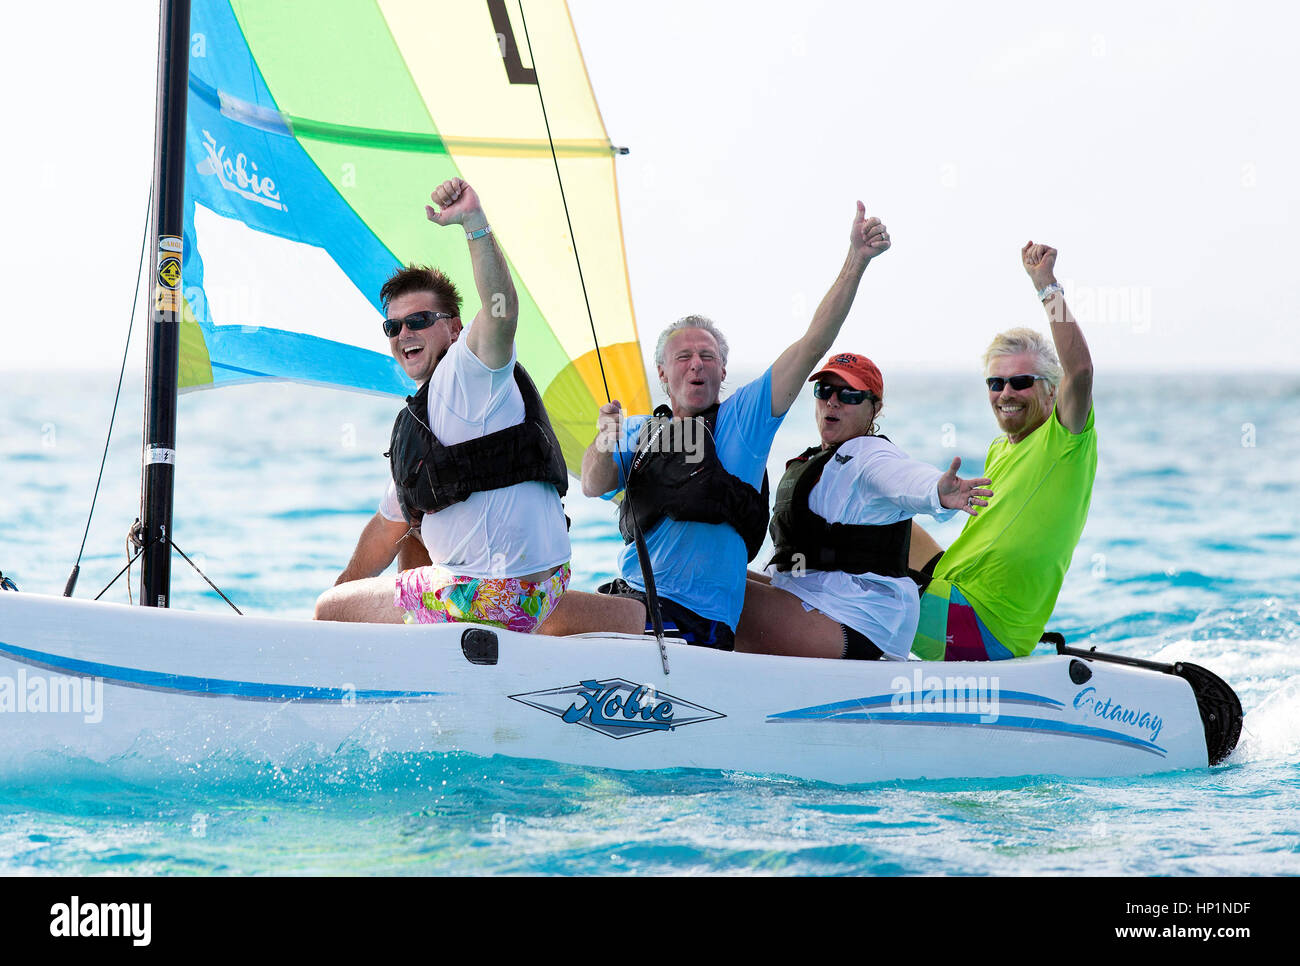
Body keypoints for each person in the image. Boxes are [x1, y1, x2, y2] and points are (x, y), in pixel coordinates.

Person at [557, 202, 891, 647]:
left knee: (551, 610)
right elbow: (594, 485)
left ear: (722, 370)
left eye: (708, 357)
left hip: (694, 623)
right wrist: (605, 436)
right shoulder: (638, 430)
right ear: (663, 374)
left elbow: (812, 344)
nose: (697, 365)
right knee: (550, 612)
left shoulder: (744, 420)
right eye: (684, 357)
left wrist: (856, 260)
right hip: (635, 603)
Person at [314, 178, 580, 633]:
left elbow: (500, 311)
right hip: (544, 590)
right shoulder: (425, 417)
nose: (404, 335)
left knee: (328, 611)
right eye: (392, 327)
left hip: (490, 596)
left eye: (419, 321)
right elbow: (384, 530)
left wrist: (473, 224)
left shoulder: (471, 371)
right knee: (411, 534)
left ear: (455, 328)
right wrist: (350, 584)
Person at [734, 352, 992, 660]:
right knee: (719, 572)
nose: (833, 401)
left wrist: (938, 491)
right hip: (814, 598)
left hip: (857, 622)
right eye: (824, 391)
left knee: (712, 588)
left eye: (849, 395)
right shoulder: (819, 459)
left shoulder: (870, 457)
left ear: (875, 408)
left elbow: (904, 479)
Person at [908, 241, 1096, 661]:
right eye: (996, 383)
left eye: (1021, 382)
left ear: (1051, 389)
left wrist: (1046, 286)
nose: (1006, 393)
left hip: (980, 631)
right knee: (876, 522)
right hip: (952, 595)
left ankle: (805, 640)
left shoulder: (1065, 437)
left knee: (857, 576)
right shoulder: (999, 449)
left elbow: (1080, 370)